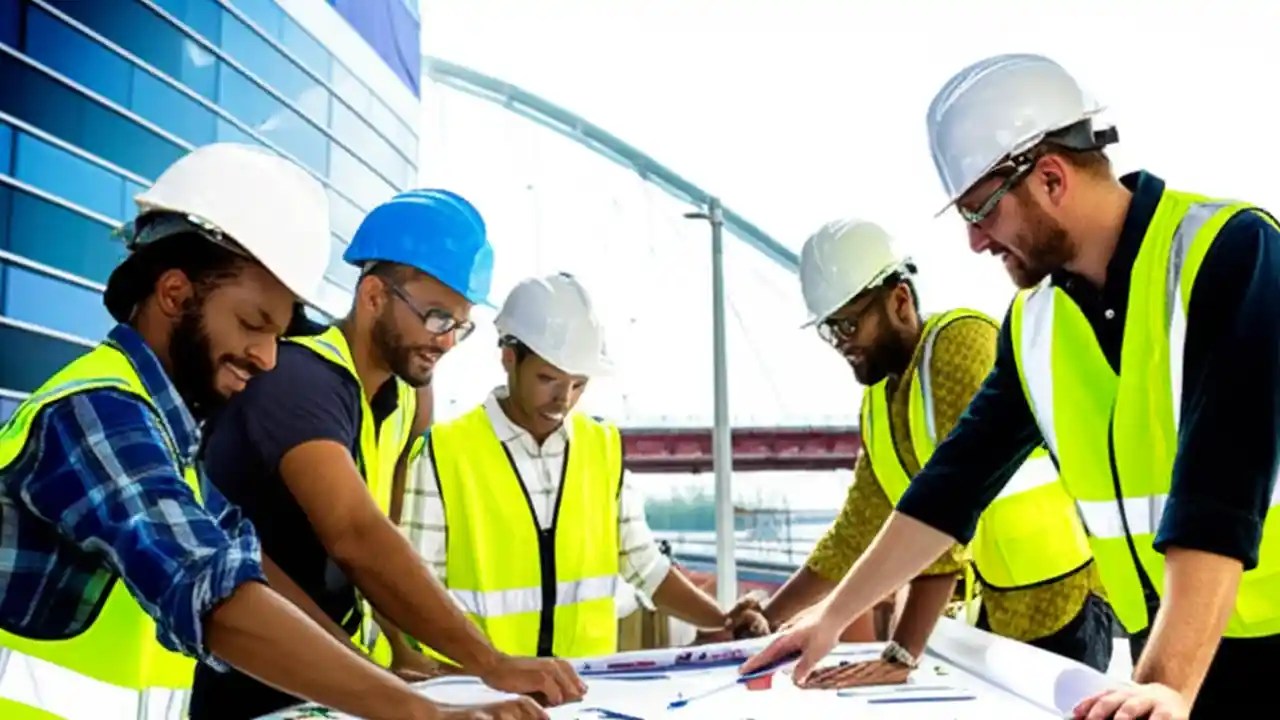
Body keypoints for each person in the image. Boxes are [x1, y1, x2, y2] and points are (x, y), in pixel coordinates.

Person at [743, 53, 1280, 720]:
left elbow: (1220, 486)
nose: (974, 242)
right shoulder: (1035, 324)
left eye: (982, 210)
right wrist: (831, 616)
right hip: (1162, 649)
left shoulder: (1229, 254)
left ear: (1051, 177)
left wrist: (1165, 681)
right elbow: (953, 483)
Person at [0, 143, 544, 720]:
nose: (266, 357)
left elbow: (245, 563)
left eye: (277, 334)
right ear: (175, 294)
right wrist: (418, 712)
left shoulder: (168, 429)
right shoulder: (97, 414)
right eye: (252, 324)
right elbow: (215, 593)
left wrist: (386, 676)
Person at [192, 190, 583, 719]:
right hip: (258, 689)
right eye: (437, 317)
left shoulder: (408, 399)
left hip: (338, 684)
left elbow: (385, 539)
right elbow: (355, 535)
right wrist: (488, 660)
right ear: (374, 296)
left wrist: (401, 654)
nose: (446, 342)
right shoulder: (296, 382)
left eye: (460, 326)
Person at [742, 218, 1112, 689]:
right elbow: (854, 534)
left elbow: (948, 508)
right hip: (990, 623)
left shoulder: (960, 345)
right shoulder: (880, 401)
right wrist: (770, 620)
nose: (842, 344)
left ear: (900, 300)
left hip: (1063, 609)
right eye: (830, 331)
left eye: (850, 324)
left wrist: (901, 651)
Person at [403, 272, 768, 661]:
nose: (564, 399)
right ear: (509, 359)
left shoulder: (603, 448)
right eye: (548, 379)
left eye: (579, 384)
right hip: (479, 691)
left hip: (584, 691)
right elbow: (416, 590)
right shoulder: (445, 453)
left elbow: (645, 565)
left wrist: (724, 623)